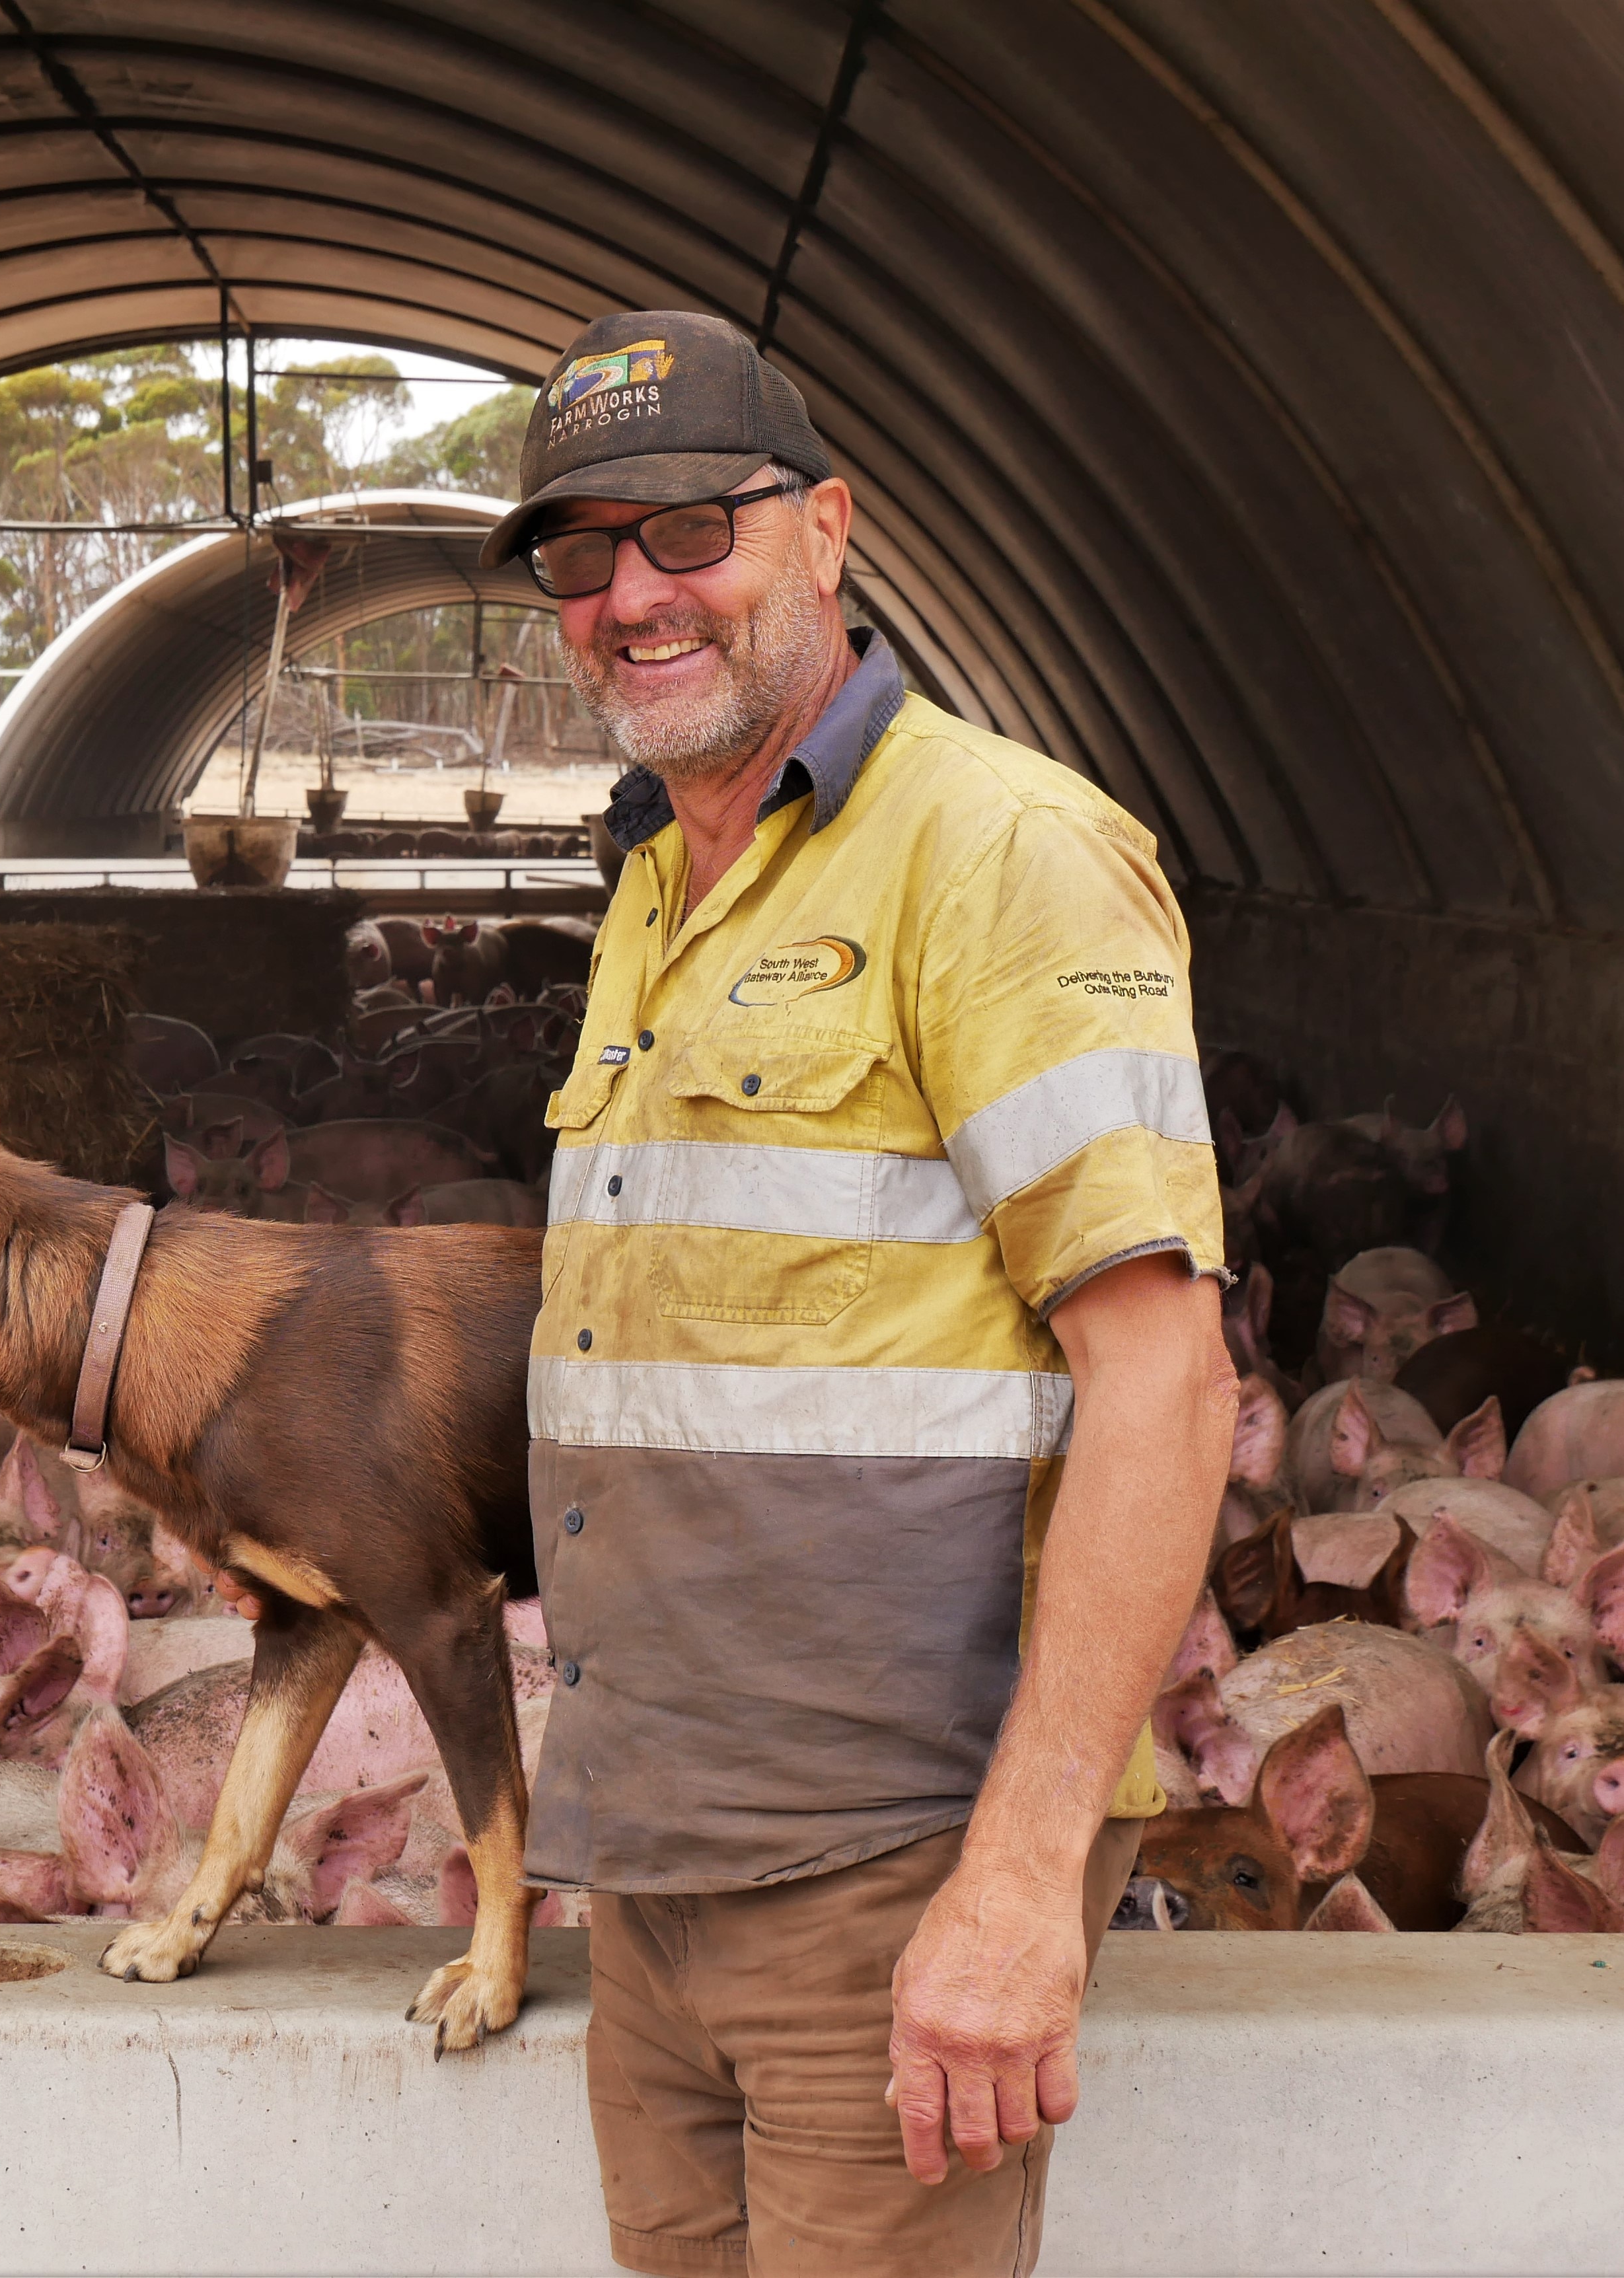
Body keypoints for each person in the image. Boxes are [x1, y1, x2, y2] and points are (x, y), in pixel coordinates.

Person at [484, 309, 1236, 2275]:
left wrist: (1018, 1875)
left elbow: (1163, 1379)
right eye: (579, 555)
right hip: (666, 1857)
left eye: (684, 534)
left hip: (889, 1862)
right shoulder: (662, 883)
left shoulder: (1002, 855)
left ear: (827, 528)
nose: (631, 596)